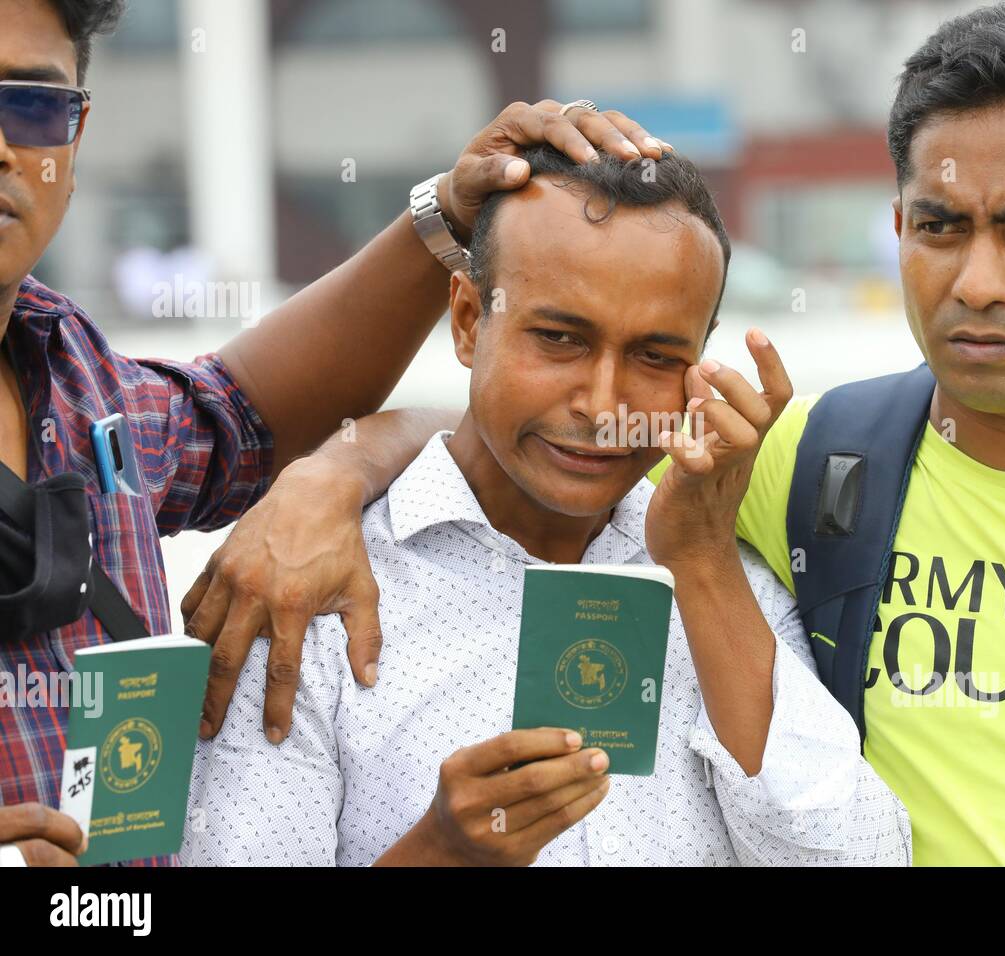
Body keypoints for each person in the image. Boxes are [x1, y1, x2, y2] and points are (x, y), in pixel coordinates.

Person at [189, 2, 1005, 866]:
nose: (977, 279)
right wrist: (329, 473)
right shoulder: (804, 464)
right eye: (938, 225)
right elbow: (547, 437)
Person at [0, 0, 669, 867]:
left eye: (32, 105)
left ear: (74, 141)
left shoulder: (83, 386)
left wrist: (336, 471)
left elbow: (242, 420)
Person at [180, 146, 911, 866]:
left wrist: (699, 559)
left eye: (656, 357)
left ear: (702, 361)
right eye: (558, 339)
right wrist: (441, 855)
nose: (601, 405)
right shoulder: (310, 592)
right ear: (469, 319)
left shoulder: (726, 582)